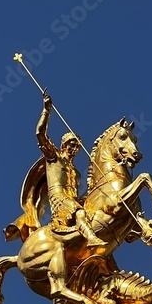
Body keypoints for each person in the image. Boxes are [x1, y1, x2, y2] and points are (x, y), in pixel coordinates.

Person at [36, 90, 99, 246]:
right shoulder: (54, 157)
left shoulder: (76, 173)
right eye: (72, 145)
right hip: (59, 200)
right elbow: (40, 134)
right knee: (80, 212)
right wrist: (46, 111)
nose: (75, 149)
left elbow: (77, 196)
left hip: (72, 200)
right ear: (64, 145)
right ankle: (91, 239)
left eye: (77, 147)